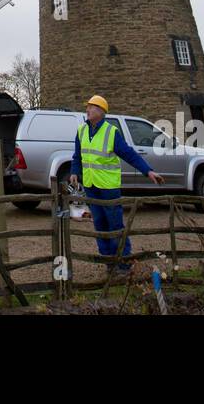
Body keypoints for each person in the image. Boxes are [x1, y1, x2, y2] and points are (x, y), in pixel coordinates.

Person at [69, 94, 165, 275]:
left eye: (90, 107)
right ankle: (108, 260)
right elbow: (77, 156)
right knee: (99, 223)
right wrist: (75, 171)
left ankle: (123, 261)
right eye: (87, 107)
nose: (87, 110)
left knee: (115, 224)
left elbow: (129, 154)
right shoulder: (81, 131)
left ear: (100, 111)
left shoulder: (111, 132)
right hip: (90, 185)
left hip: (108, 187)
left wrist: (148, 171)